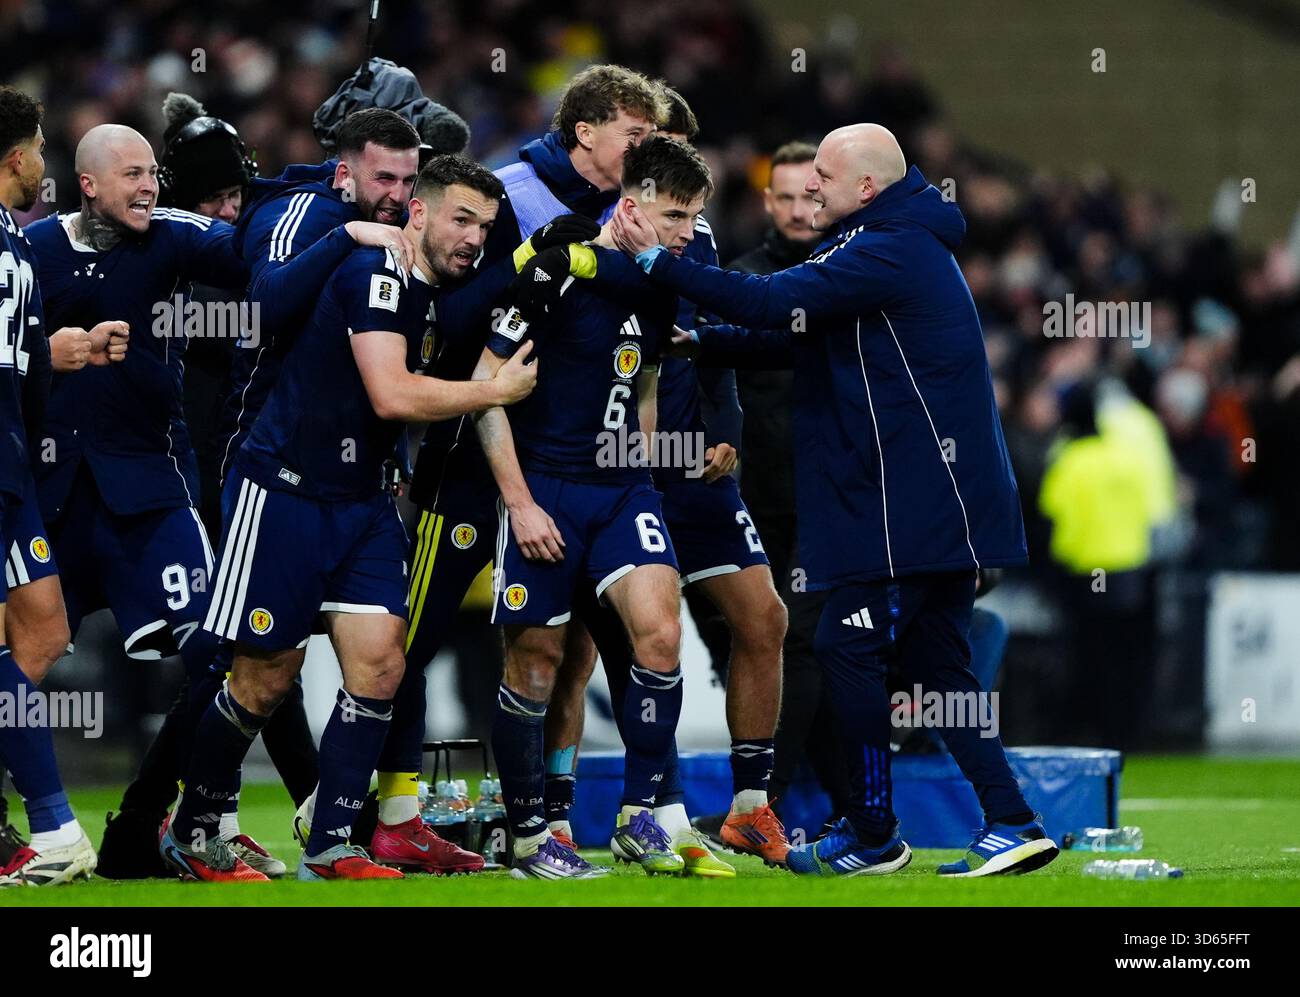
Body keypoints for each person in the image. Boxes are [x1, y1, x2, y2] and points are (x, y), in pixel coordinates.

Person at [612, 123, 1059, 877]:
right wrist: (700, 345)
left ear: (866, 187)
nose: (811, 183)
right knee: (940, 667)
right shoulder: (888, 238)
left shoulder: (885, 248)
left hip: (909, 505)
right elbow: (798, 334)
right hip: (930, 502)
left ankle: (873, 830)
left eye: (822, 173)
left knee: (845, 648)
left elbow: (774, 301)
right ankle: (1013, 819)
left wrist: (656, 260)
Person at [160, 154, 536, 882]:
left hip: (362, 502)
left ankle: (331, 843)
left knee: (382, 664)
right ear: (417, 214)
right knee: (264, 676)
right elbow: (393, 395)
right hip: (286, 491)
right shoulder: (377, 275)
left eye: (485, 227)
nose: (472, 238)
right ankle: (195, 826)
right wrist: (496, 390)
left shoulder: (436, 291)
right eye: (460, 219)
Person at [395, 64, 664, 845]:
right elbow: (446, 315)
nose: (644, 153)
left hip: (566, 470)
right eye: (635, 136)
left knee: (579, 649)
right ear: (586, 132)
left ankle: (566, 821)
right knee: (409, 643)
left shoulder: (623, 214)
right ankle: (384, 806)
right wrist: (526, 262)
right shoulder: (507, 193)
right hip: (467, 453)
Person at [541, 86, 787, 875]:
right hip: (608, 466)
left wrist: (727, 430)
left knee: (762, 617)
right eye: (645, 141)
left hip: (689, 465)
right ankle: (554, 816)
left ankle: (748, 805)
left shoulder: (694, 238)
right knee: (583, 649)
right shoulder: (584, 237)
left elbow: (704, 341)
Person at [474, 135, 714, 879]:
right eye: (675, 216)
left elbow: (642, 380)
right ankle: (525, 837)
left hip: (619, 490)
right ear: (629, 203)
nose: (687, 233)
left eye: (694, 218)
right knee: (538, 664)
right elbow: (487, 391)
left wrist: (640, 466)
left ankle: (640, 816)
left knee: (661, 635)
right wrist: (518, 505)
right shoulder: (554, 271)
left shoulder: (659, 280)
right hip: (543, 487)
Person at [0, 86, 124, 886]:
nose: (43, 161)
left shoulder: (12, 238)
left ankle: (48, 826)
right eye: (40, 148)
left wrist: (53, 355)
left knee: (39, 635)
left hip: (9, 458)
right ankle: (52, 825)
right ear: (14, 157)